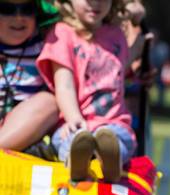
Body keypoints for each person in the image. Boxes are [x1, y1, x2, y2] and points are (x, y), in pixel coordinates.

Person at [38, 0, 135, 182]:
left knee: (120, 140)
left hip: (113, 123)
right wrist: (74, 118)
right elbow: (64, 85)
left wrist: (136, 19)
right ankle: (77, 164)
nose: (95, 4)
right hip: (76, 124)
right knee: (71, 141)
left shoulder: (116, 35)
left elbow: (123, 68)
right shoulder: (62, 34)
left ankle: (109, 163)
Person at [0, 0, 59, 151]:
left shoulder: (47, 43)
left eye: (27, 9)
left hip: (22, 126)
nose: (19, 17)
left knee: (49, 103)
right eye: (7, 9)